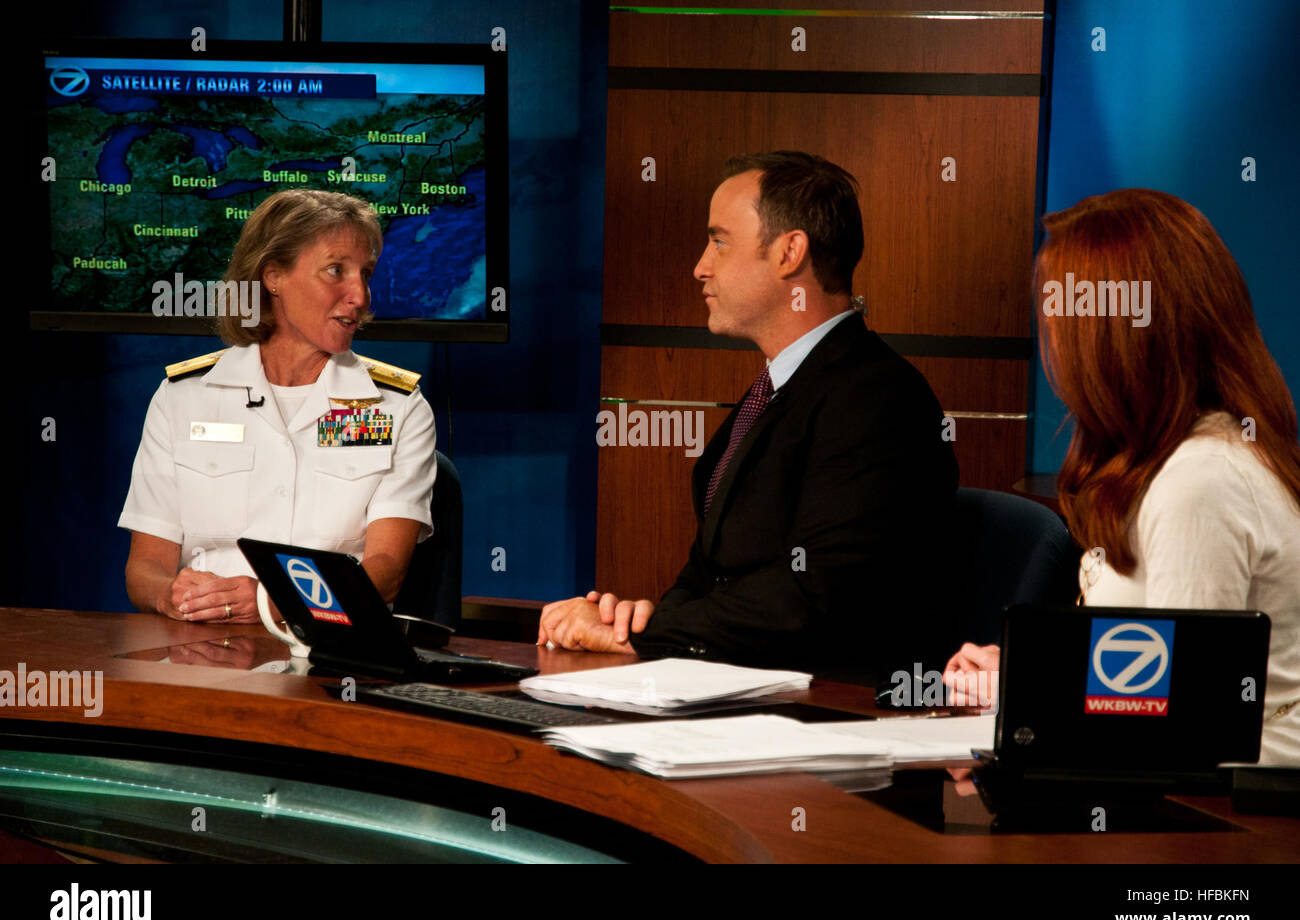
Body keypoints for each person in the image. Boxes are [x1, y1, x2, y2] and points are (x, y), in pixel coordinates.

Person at [540, 151, 958, 679]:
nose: (700, 266)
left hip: (830, 716)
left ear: (790, 252)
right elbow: (711, 572)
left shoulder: (877, 400)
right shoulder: (777, 391)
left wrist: (648, 635)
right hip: (740, 688)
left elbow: (810, 597)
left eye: (718, 241)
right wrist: (633, 624)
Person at [944, 188, 1300, 765]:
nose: (1052, 337)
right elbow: (1149, 667)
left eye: (1059, 311)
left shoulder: (1200, 481)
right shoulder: (1191, 454)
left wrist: (1032, 705)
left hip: (1223, 819)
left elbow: (1182, 728)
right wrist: (1030, 677)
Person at [119, 190, 436, 625]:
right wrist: (169, 595)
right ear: (274, 277)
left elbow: (386, 571)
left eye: (365, 274)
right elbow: (145, 568)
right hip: (200, 647)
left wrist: (275, 604)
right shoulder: (183, 396)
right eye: (335, 271)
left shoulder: (395, 406)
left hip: (331, 651)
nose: (359, 296)